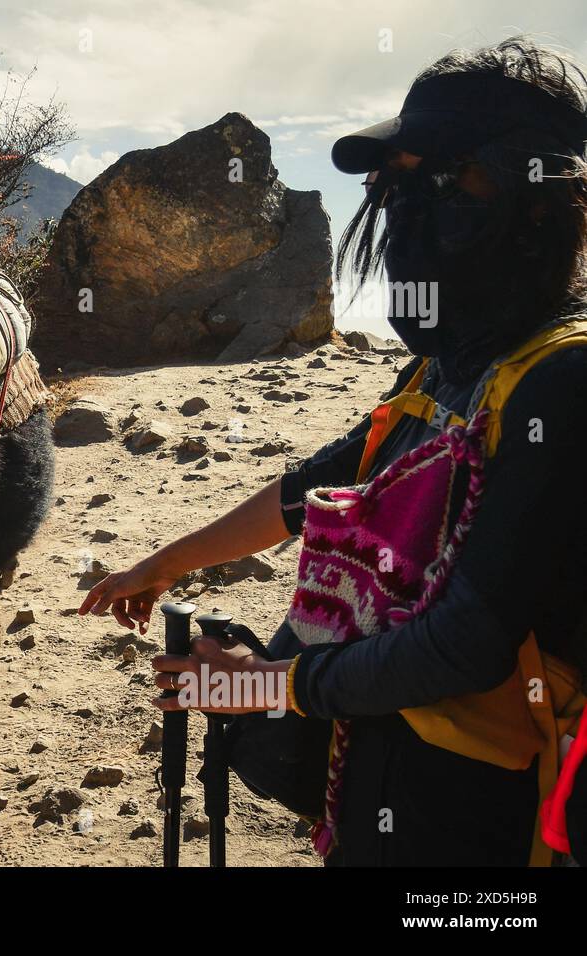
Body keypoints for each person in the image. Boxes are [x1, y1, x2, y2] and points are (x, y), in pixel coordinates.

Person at [80, 36, 587, 866]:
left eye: (442, 177)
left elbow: (465, 645)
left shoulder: (563, 381)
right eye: (395, 182)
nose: (403, 206)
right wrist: (165, 564)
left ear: (540, 194)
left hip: (497, 832)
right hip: (399, 799)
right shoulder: (456, 361)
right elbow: (320, 480)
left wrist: (261, 685)